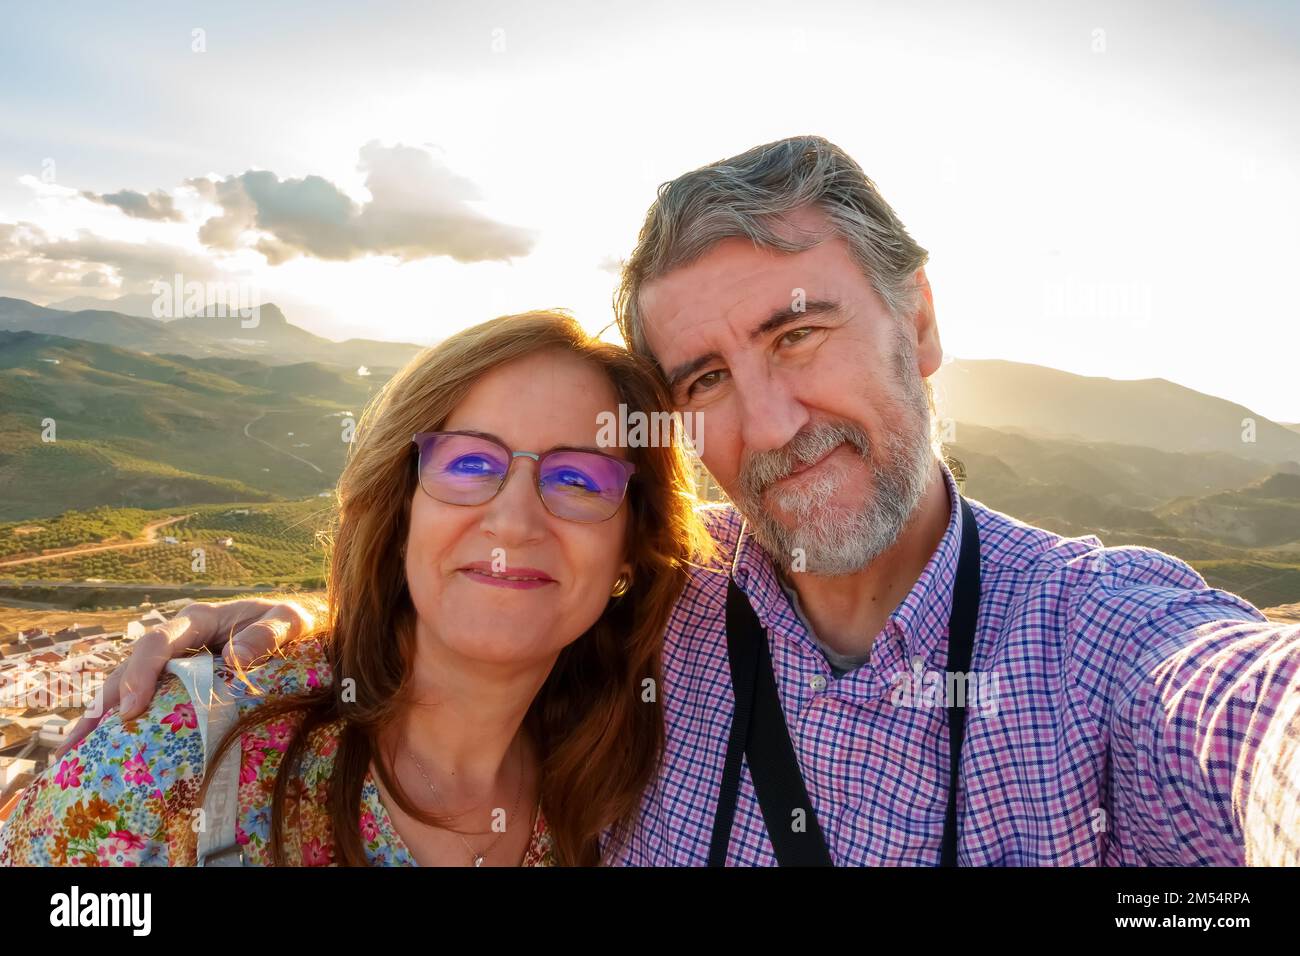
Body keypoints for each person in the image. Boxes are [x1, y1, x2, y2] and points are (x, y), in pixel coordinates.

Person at [53, 136, 1300, 865]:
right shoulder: (658, 616)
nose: (764, 424)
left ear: (918, 321)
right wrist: (279, 627)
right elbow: (489, 579)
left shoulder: (1093, 645)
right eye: (703, 376)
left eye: (799, 331)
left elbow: (1236, 711)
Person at [0, 310, 713, 866]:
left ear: (629, 552)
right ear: (400, 514)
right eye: (469, 464)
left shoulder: (616, 795)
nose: (515, 519)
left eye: (579, 478)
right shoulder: (174, 759)